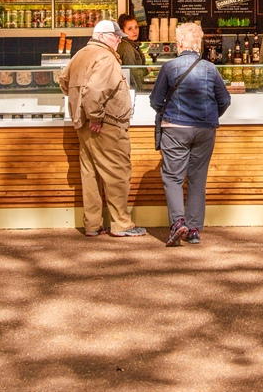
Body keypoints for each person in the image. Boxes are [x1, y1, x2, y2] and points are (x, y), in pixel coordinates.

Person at [57, 19, 146, 238]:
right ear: (102, 36)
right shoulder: (105, 57)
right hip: (105, 125)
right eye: (115, 36)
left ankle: (93, 224)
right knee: (117, 172)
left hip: (82, 124)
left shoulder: (80, 54)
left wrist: (84, 111)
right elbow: (96, 90)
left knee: (90, 175)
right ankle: (121, 224)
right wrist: (95, 115)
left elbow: (63, 81)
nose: (118, 40)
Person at [149, 21, 231, 247]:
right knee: (197, 179)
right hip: (205, 130)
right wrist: (209, 116)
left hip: (175, 129)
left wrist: (171, 112)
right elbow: (225, 101)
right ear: (199, 44)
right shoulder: (210, 68)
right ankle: (194, 229)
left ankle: (178, 223)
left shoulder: (169, 67)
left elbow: (156, 101)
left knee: (173, 178)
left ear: (180, 43)